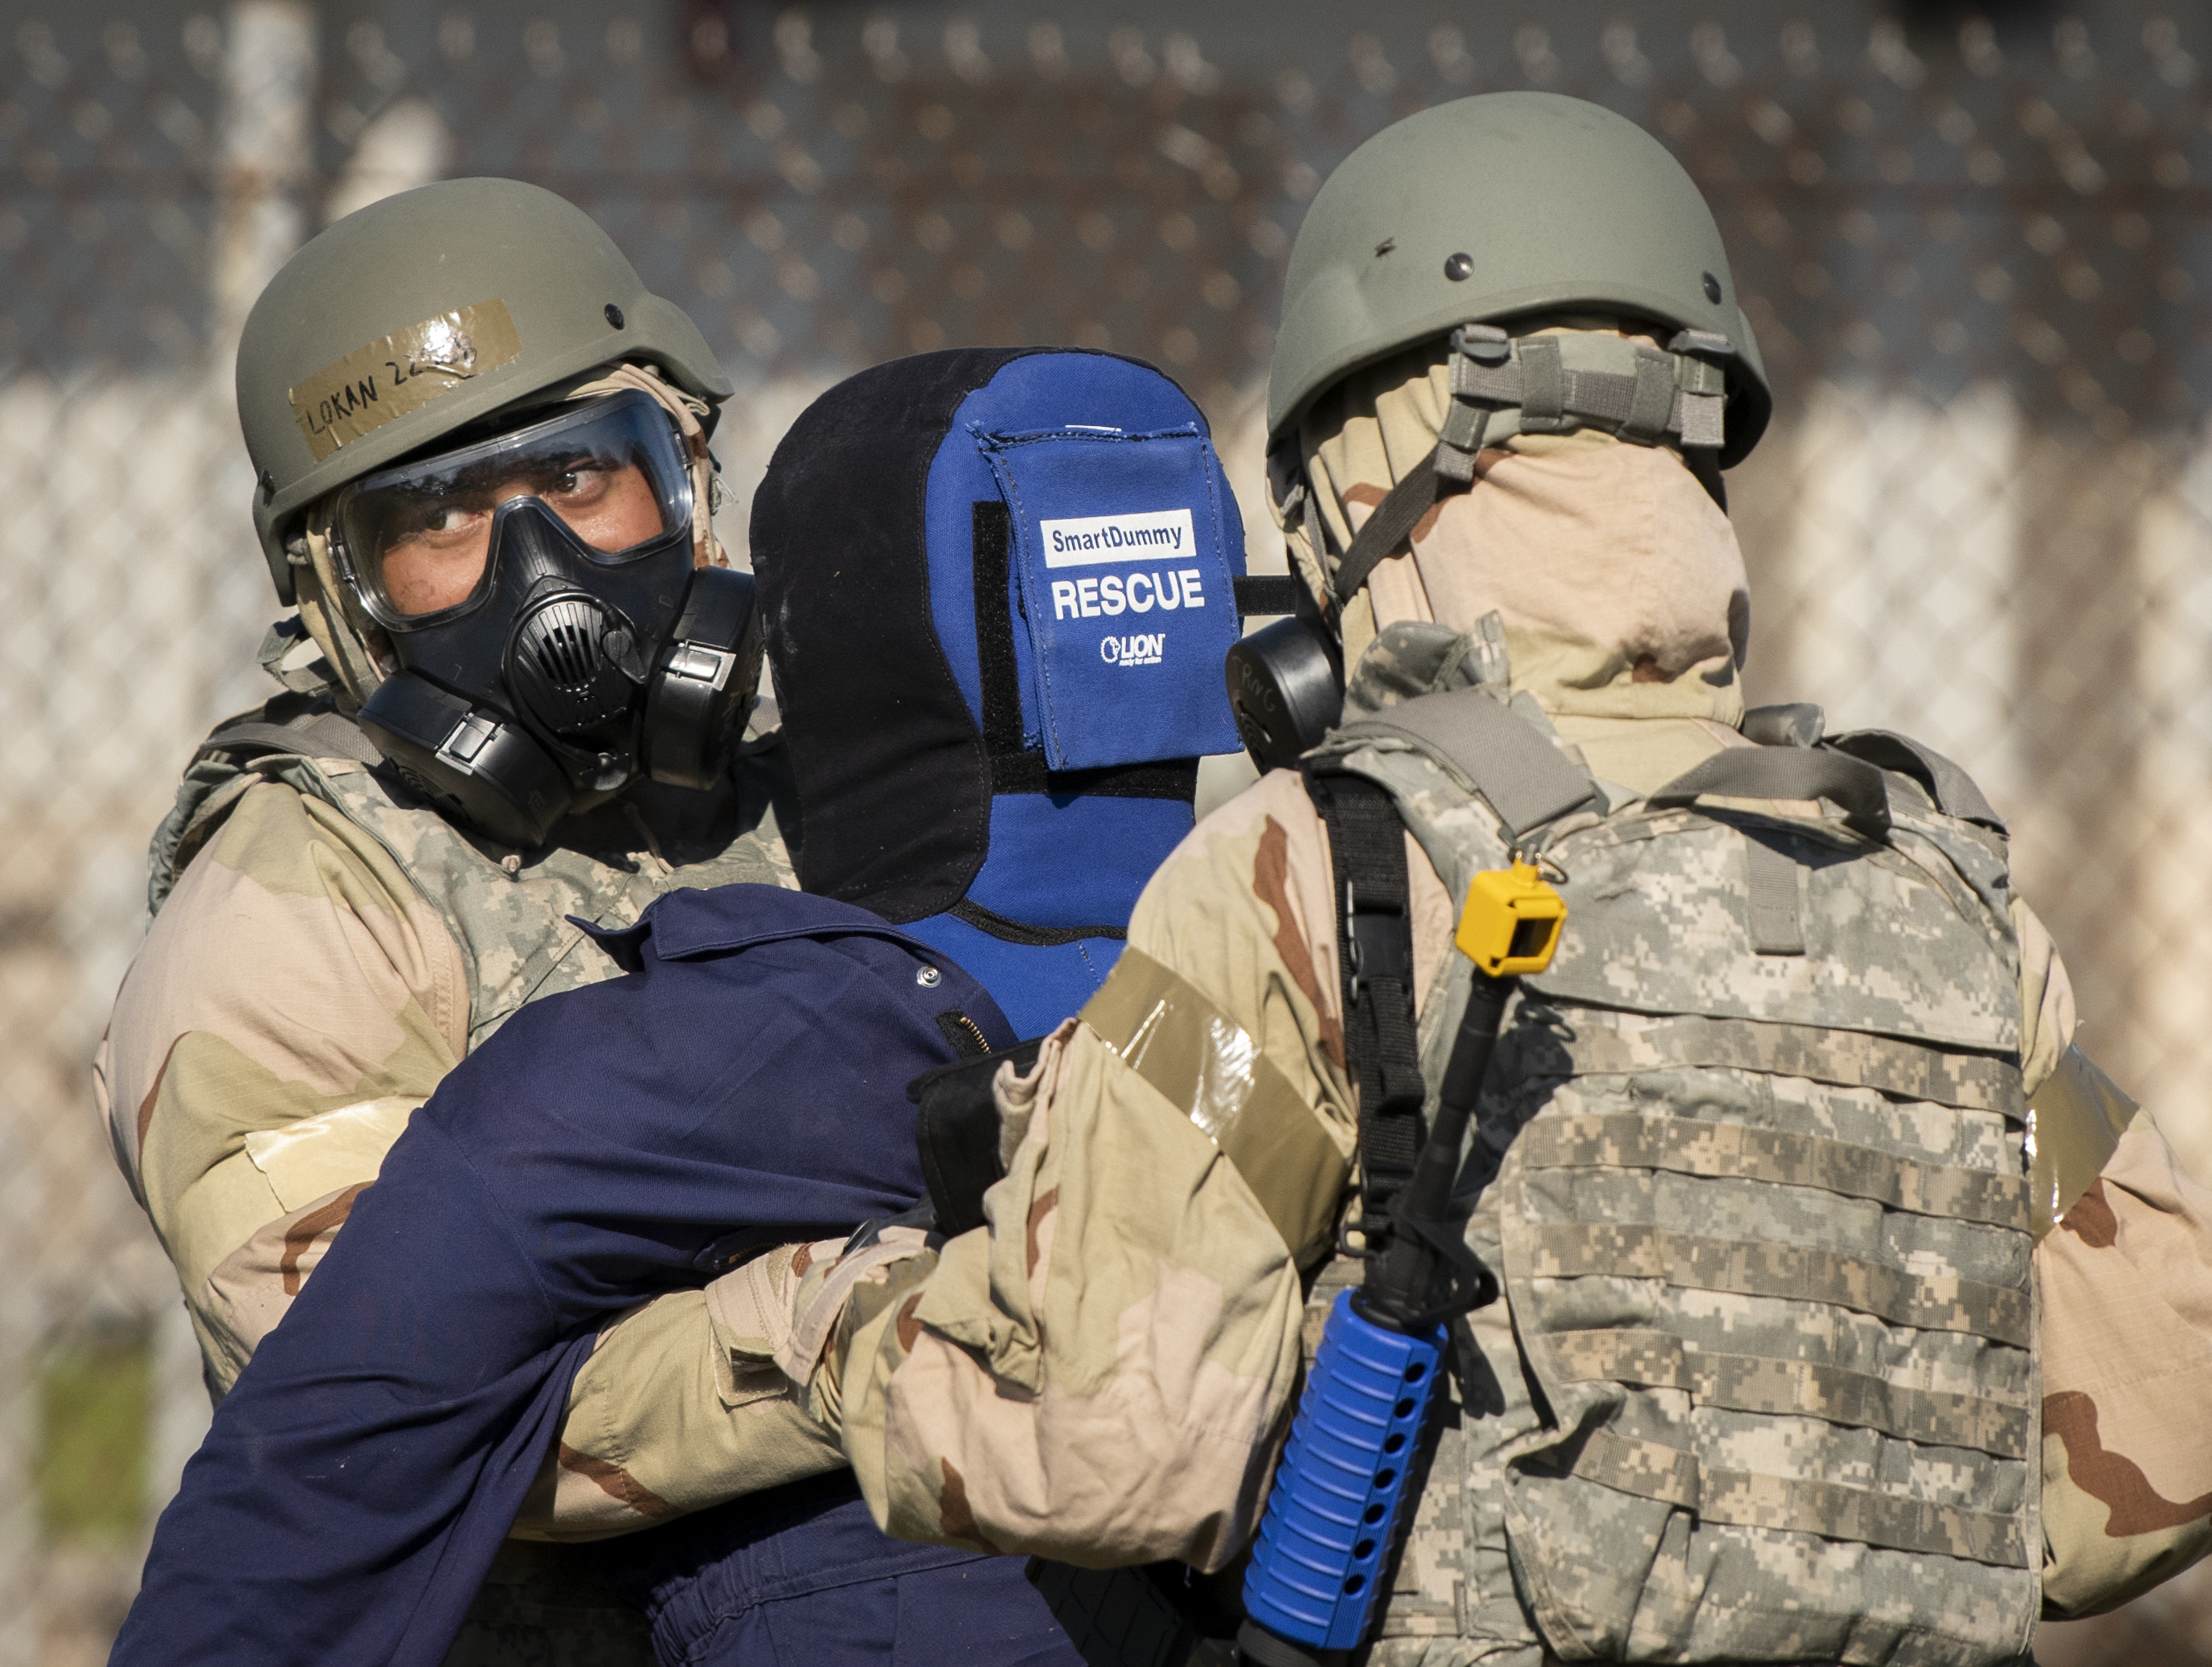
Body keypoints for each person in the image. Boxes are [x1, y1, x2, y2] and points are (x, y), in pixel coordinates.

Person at [732, 91, 2212, 1662]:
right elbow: (2150, 1462)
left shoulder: (1323, 856)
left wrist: (823, 1328)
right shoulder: (1931, 879)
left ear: (1361, 484)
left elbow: (1110, 1447)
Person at [109, 344, 1258, 1667]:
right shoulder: (290, 905)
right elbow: (367, 1402)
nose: (535, 563)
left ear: (687, 485)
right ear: (341, 590)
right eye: (436, 518)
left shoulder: (803, 776)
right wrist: (842, 1333)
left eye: (582, 475)